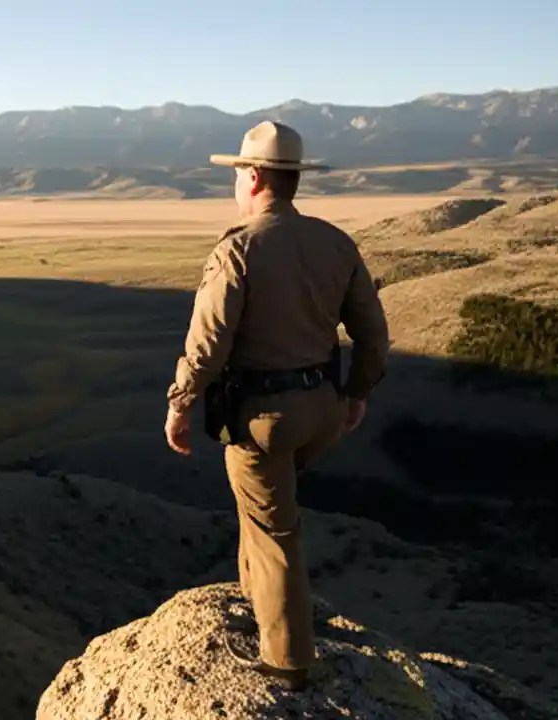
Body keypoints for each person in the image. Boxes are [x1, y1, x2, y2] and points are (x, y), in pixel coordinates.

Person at [162, 121, 389, 691]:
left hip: (261, 419)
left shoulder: (239, 249)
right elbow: (374, 335)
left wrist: (180, 403)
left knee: (273, 530)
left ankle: (287, 663)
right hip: (322, 410)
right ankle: (258, 607)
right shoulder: (336, 243)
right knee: (262, 508)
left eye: (239, 174)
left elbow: (207, 343)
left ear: (255, 177)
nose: (237, 184)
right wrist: (356, 394)